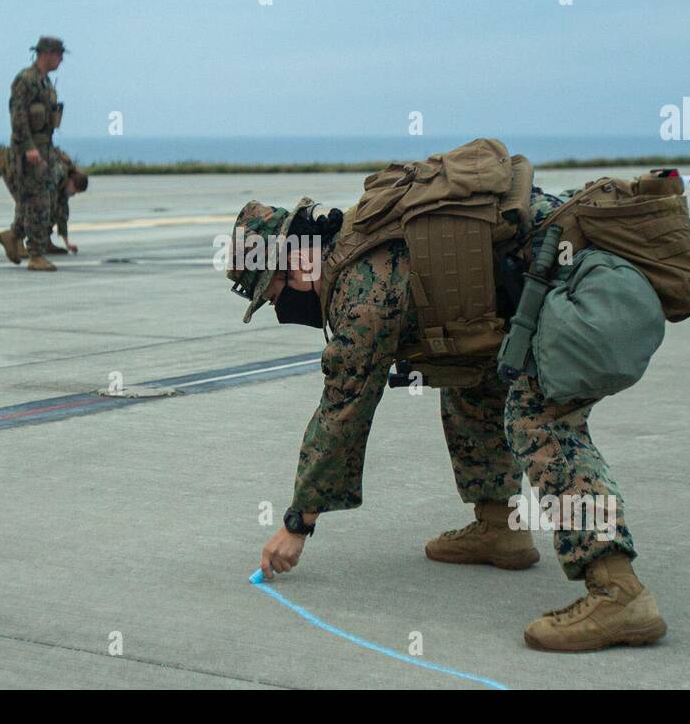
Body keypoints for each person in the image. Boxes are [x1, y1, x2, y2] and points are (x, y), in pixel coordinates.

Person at [224, 175, 667, 653]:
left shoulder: (362, 295)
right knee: (467, 375)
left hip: (585, 302)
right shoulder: (357, 240)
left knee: (542, 425)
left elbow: (341, 413)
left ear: (296, 259)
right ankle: (502, 528)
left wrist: (297, 524)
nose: (280, 305)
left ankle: (618, 590)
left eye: (273, 293)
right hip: (548, 291)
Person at [0, 36, 67, 272]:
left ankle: (13, 235)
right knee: (39, 202)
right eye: (58, 54)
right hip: (29, 152)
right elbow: (18, 116)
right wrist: (28, 148)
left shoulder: (45, 83)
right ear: (46, 54)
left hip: (43, 149)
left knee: (36, 200)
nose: (60, 59)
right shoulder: (26, 80)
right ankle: (36, 255)